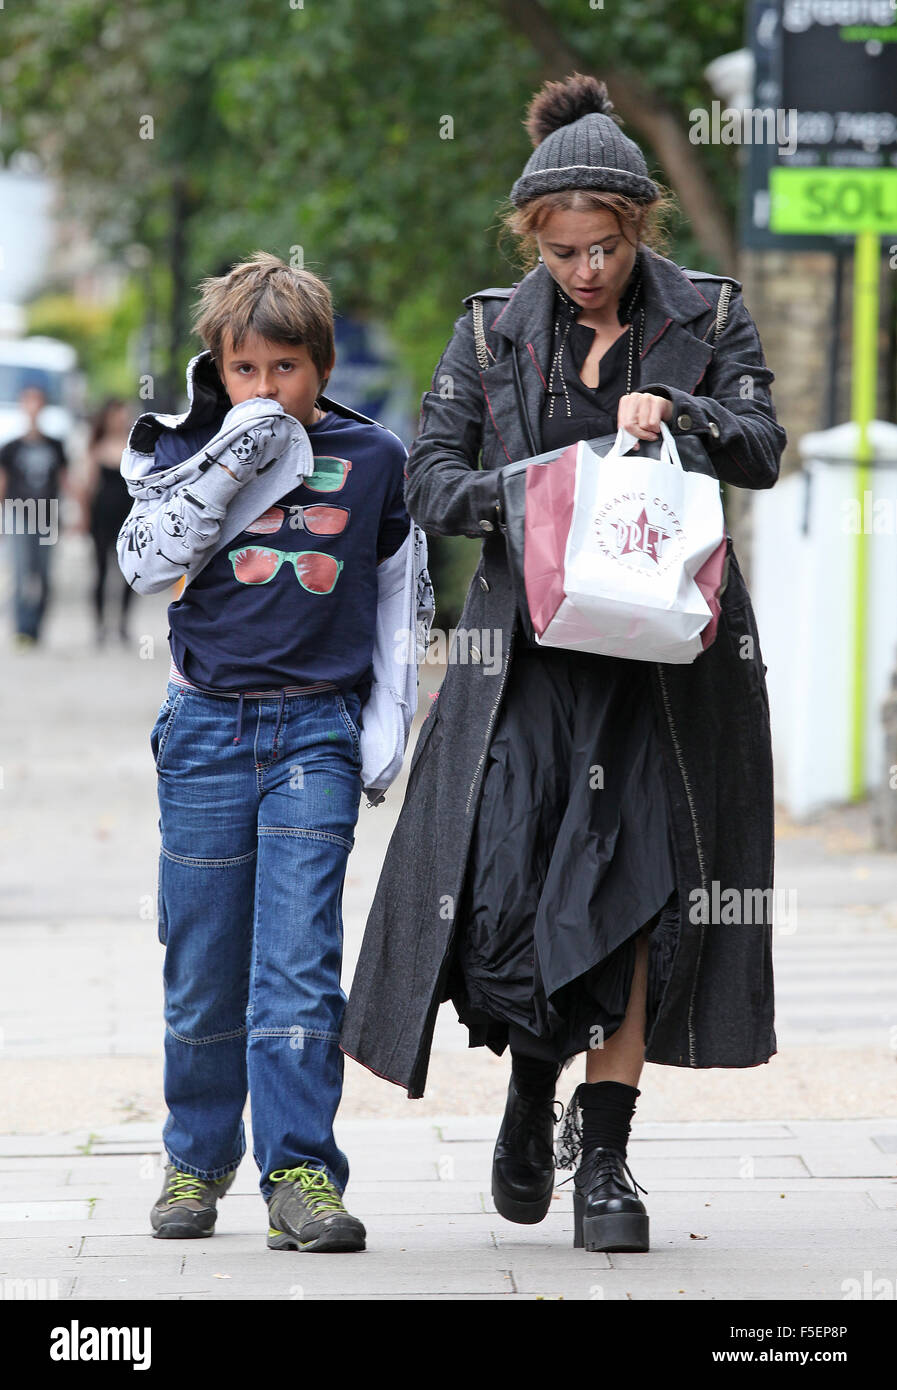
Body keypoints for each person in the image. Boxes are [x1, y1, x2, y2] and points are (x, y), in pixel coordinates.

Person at [341, 74, 785, 1254]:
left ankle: (608, 1154)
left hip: (660, 676)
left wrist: (681, 414)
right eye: (560, 251)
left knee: (636, 899)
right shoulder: (489, 328)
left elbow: (764, 445)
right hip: (526, 668)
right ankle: (532, 1091)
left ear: (638, 229)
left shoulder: (710, 314)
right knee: (515, 897)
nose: (583, 272)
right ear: (531, 238)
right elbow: (428, 477)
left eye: (601, 248)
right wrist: (539, 492)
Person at [116, 252, 419, 1252]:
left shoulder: (374, 459)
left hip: (313, 732)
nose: (266, 389)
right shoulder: (181, 449)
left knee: (298, 961)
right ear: (218, 367)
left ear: (322, 366)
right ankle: (197, 1159)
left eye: (285, 368)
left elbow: (393, 602)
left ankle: (300, 1171)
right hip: (206, 729)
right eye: (245, 369)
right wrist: (233, 455)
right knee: (203, 960)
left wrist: (385, 729)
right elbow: (145, 562)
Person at [0, 384, 69, 646]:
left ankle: (37, 627)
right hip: (19, 512)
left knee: (44, 575)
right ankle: (21, 628)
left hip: (47, 513)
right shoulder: (10, 448)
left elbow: (64, 480)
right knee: (19, 573)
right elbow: (2, 484)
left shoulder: (55, 445)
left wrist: (79, 513)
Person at [81, 398, 136, 645]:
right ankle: (100, 625)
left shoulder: (135, 447)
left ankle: (123, 623)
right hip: (102, 515)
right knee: (101, 571)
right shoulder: (96, 447)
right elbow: (88, 486)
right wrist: (84, 516)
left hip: (130, 515)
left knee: (129, 572)